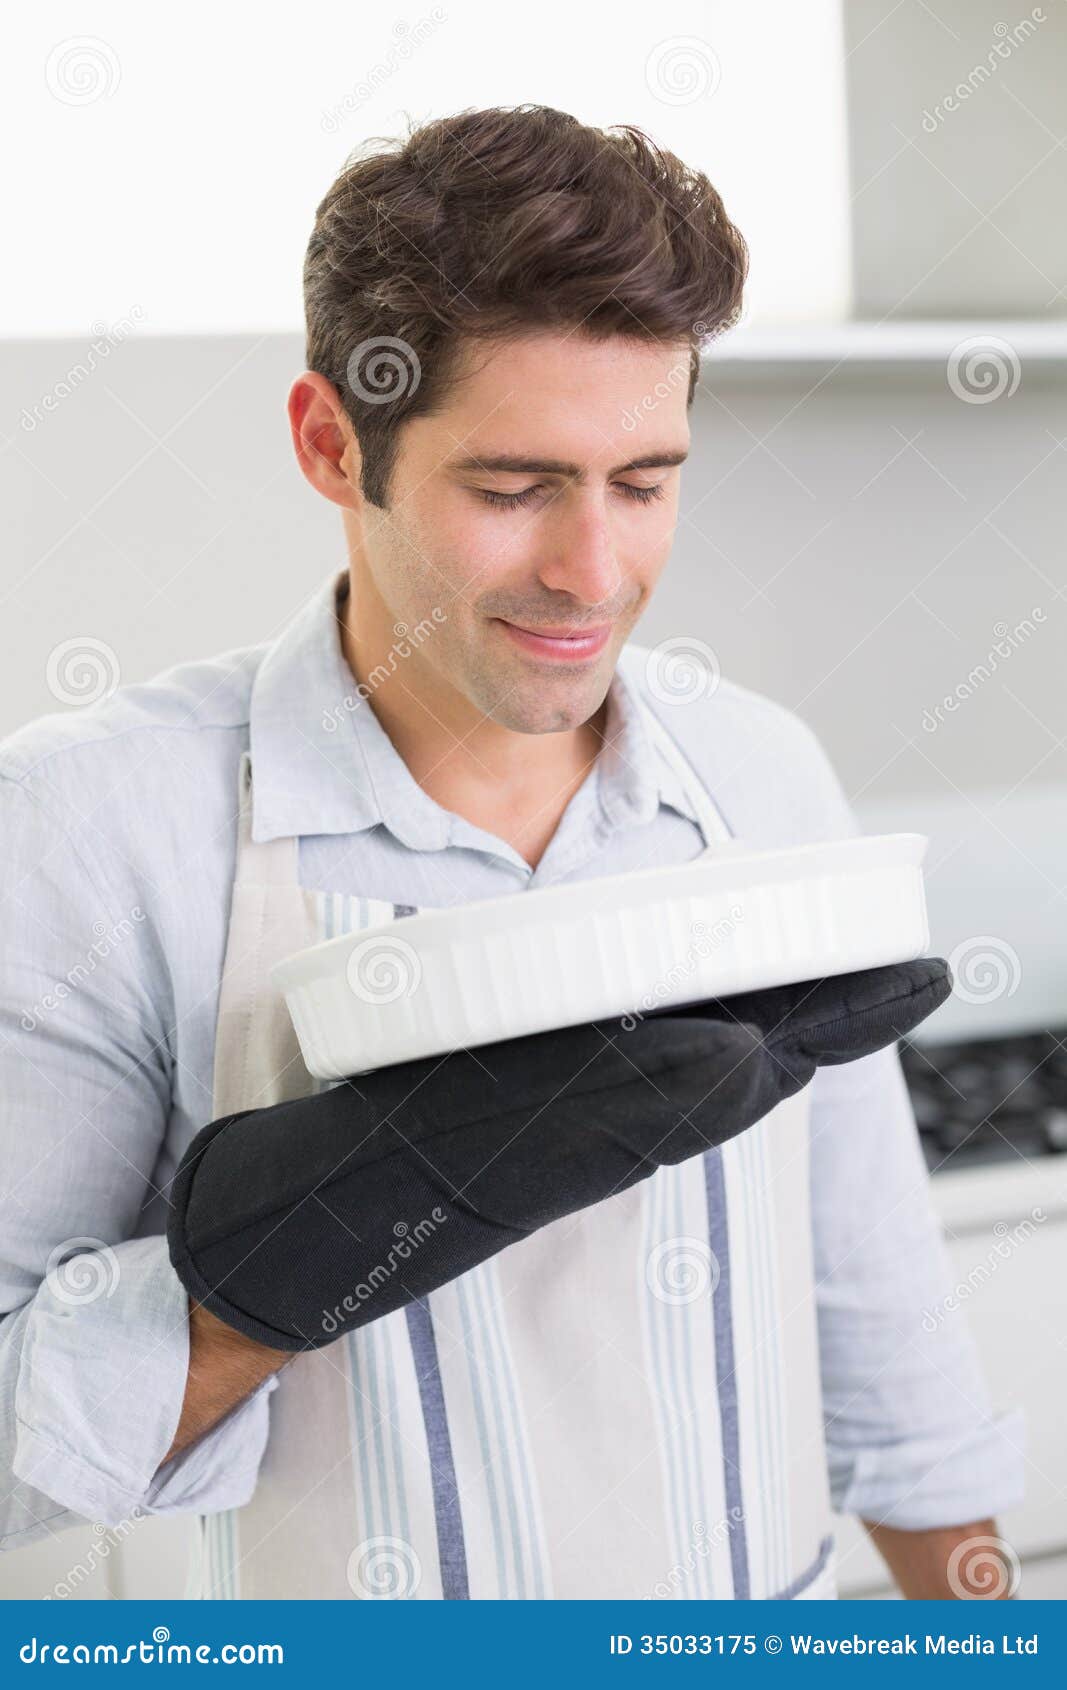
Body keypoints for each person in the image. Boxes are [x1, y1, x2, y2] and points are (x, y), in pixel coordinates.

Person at [0, 105, 1022, 1600]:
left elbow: (893, 1350)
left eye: (646, 480)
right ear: (332, 442)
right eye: (513, 487)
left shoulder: (759, 779)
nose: (592, 574)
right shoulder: (98, 828)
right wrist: (281, 1265)